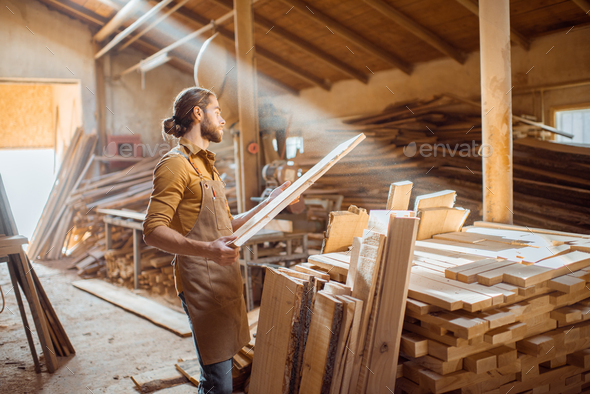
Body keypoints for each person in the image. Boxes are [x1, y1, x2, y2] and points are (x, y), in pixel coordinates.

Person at [143, 87, 297, 394]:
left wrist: (271, 201)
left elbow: (228, 225)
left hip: (226, 282)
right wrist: (207, 250)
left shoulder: (207, 166)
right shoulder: (176, 164)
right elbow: (152, 229)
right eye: (218, 112)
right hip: (201, 285)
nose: (223, 120)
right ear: (198, 114)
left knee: (221, 378)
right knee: (219, 385)